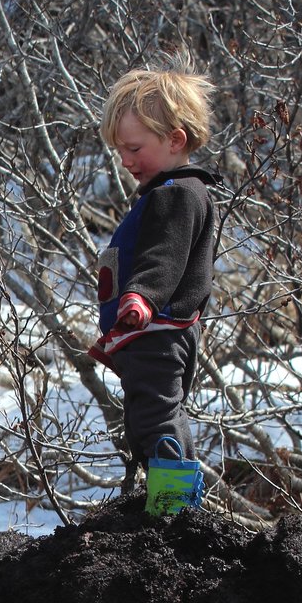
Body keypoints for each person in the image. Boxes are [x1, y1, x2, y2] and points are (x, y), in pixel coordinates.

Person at [86, 60, 221, 511]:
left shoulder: (176, 195)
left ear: (175, 140)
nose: (124, 160)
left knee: (155, 419)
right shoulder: (179, 191)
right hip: (156, 335)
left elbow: (164, 257)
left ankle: (175, 507)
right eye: (119, 149)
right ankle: (171, 500)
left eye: (133, 148)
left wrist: (140, 299)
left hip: (158, 332)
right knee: (154, 415)